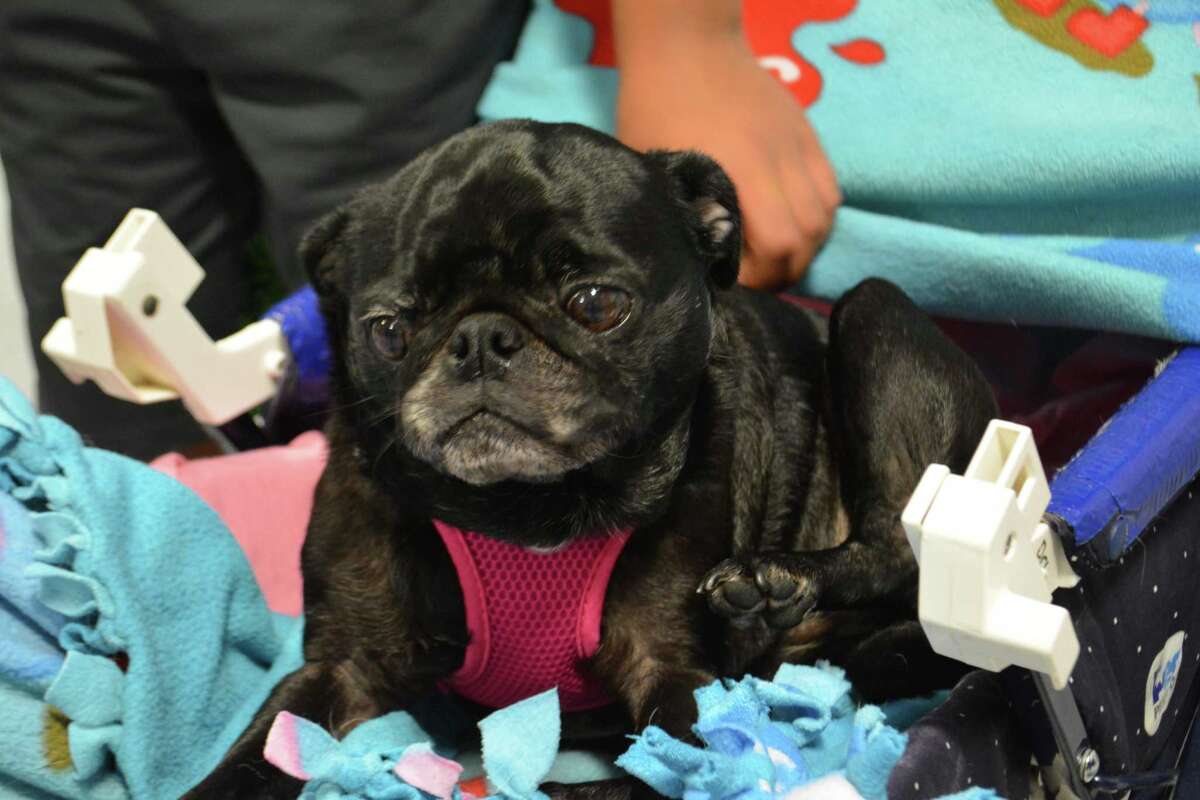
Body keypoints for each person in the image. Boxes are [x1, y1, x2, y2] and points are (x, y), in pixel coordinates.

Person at [0, 0, 837, 459]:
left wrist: (686, 38)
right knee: (113, 413)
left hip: (362, 26)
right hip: (54, 29)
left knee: (414, 360)